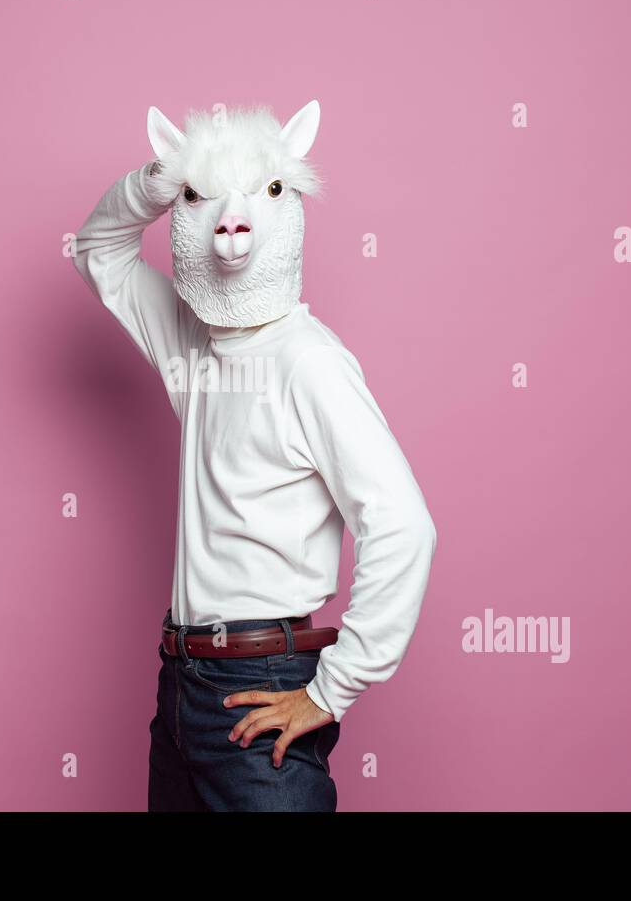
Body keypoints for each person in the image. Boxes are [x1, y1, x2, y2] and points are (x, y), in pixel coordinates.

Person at [72, 100, 438, 811]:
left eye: (258, 197)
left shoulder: (310, 363)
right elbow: (99, 250)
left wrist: (333, 690)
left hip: (259, 687)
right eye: (205, 202)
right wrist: (170, 178)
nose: (229, 223)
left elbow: (403, 525)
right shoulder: (193, 344)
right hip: (180, 683)